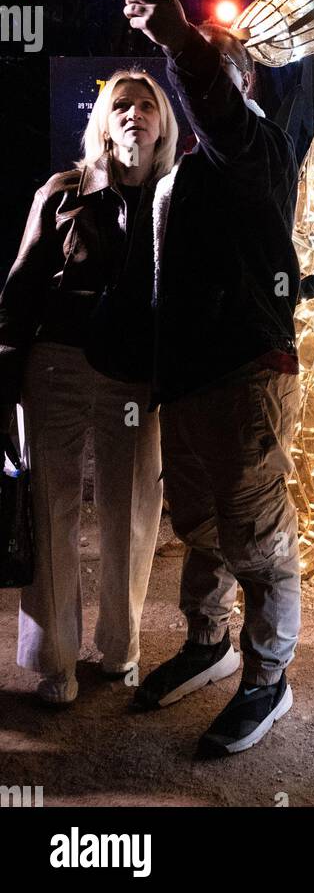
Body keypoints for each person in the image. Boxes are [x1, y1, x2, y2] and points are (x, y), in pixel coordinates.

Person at [123, 0, 302, 758]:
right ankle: (209, 642)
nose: (204, 71)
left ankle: (268, 678)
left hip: (245, 375)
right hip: (190, 383)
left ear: (244, 79)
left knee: (258, 540)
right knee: (200, 529)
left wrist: (177, 43)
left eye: (217, 61)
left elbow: (215, 107)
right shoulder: (187, 172)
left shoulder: (253, 146)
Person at [0, 69, 178, 704]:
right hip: (57, 366)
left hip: (133, 376)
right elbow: (20, 287)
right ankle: (56, 662)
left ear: (163, 123)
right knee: (52, 509)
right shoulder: (63, 191)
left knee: (131, 510)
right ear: (103, 120)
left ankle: (121, 647)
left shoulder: (176, 195)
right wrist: (6, 372)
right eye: (121, 104)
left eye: (147, 105)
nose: (134, 114)